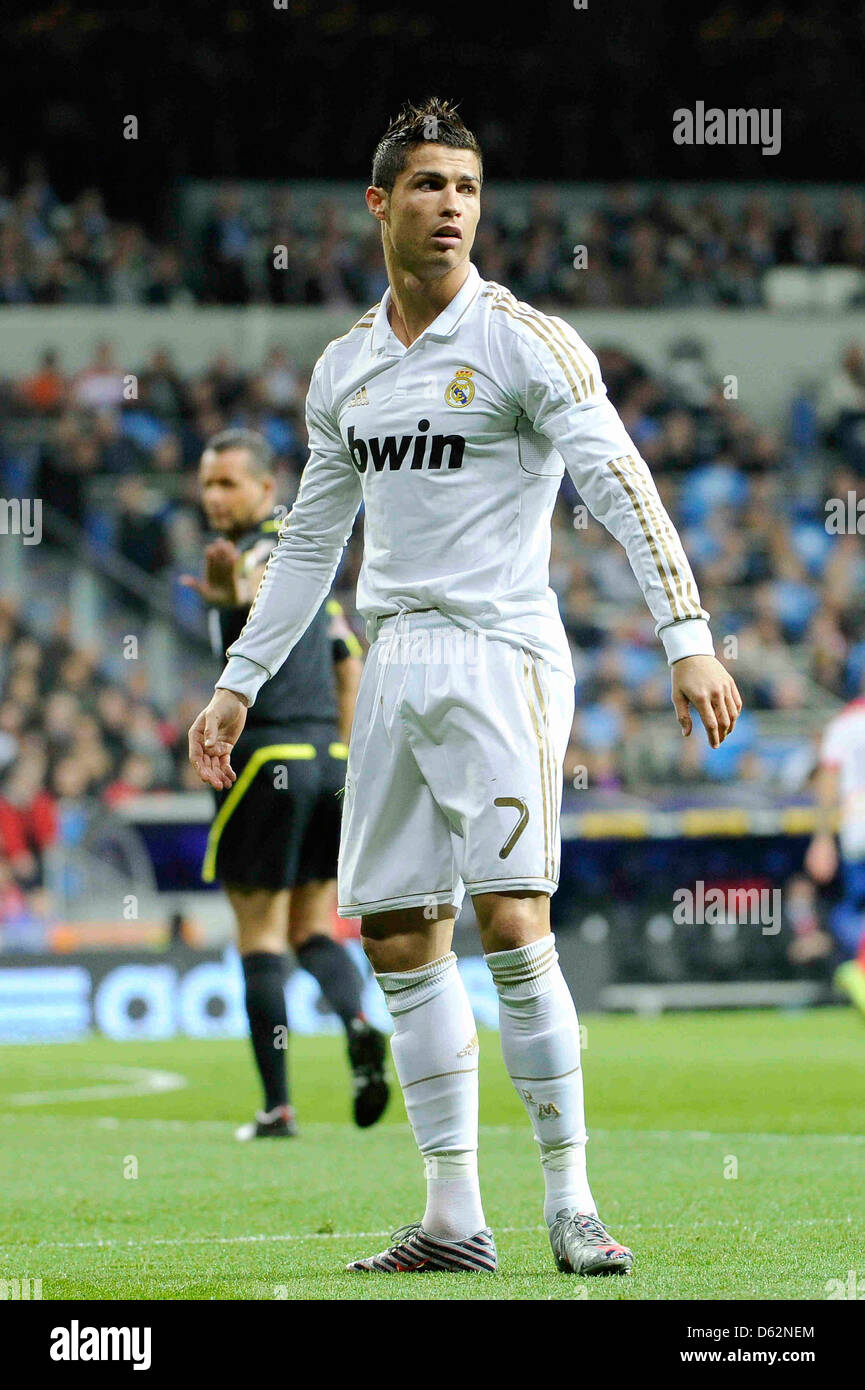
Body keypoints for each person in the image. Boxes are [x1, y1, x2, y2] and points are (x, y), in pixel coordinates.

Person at [188, 100, 741, 1274]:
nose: (451, 206)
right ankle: (453, 1218)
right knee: (395, 930)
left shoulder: (526, 342)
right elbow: (308, 546)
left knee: (509, 917)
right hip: (390, 662)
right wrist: (238, 679)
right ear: (379, 204)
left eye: (467, 187)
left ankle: (571, 1203)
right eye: (427, 185)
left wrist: (686, 632)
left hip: (500, 654)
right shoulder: (345, 370)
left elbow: (623, 483)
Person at [182, 427, 388, 1138]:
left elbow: (255, 596)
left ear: (267, 489)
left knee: (259, 934)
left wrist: (230, 602)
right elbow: (348, 658)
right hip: (327, 760)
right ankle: (358, 1021)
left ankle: (277, 1106)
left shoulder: (260, 554)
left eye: (228, 483)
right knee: (312, 925)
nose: (214, 497)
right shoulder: (313, 566)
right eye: (207, 483)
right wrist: (351, 753)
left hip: (265, 758)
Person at [805, 687, 865, 1015]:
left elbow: (828, 778)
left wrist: (823, 838)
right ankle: (859, 970)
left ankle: (858, 969)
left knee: (855, 908)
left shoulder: (843, 725)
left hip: (856, 829)